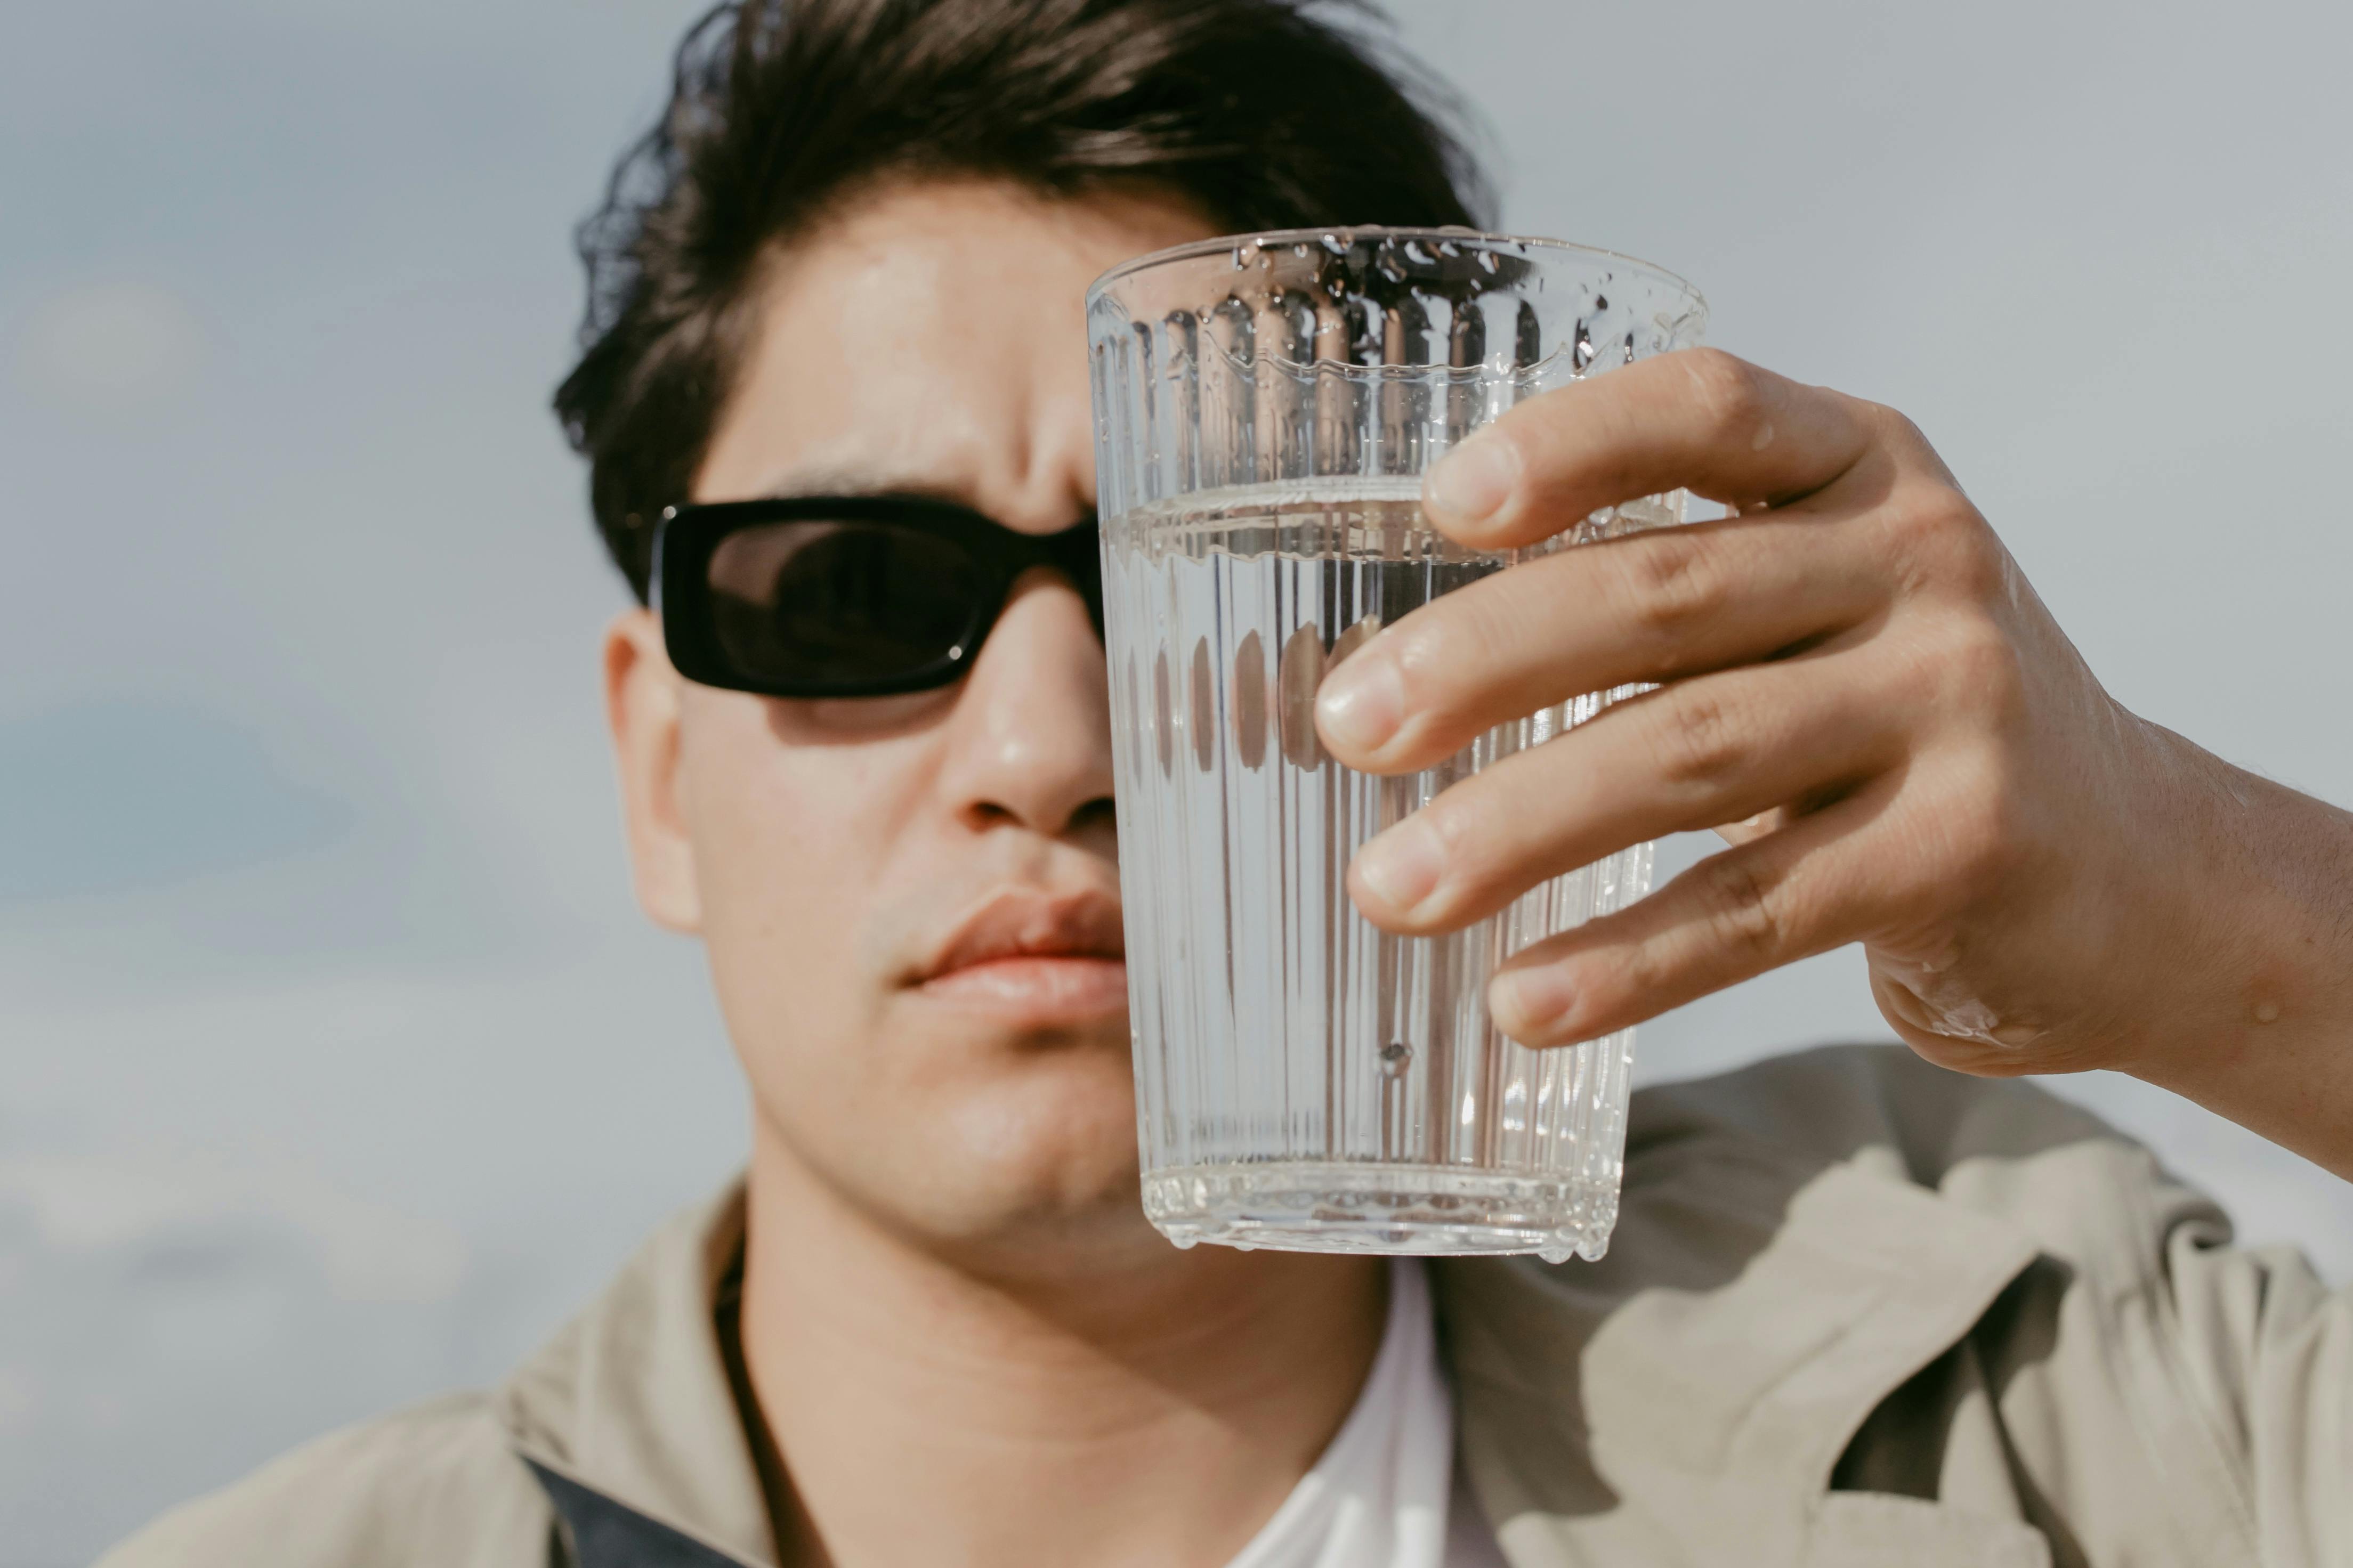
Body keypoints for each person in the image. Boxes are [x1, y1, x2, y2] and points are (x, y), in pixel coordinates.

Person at [101, 1, 2352, 1564]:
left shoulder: (2030, 1382)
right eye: (850, 588)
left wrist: (2206, 896)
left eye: (1211, 589)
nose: (1054, 750)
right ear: (655, 769)